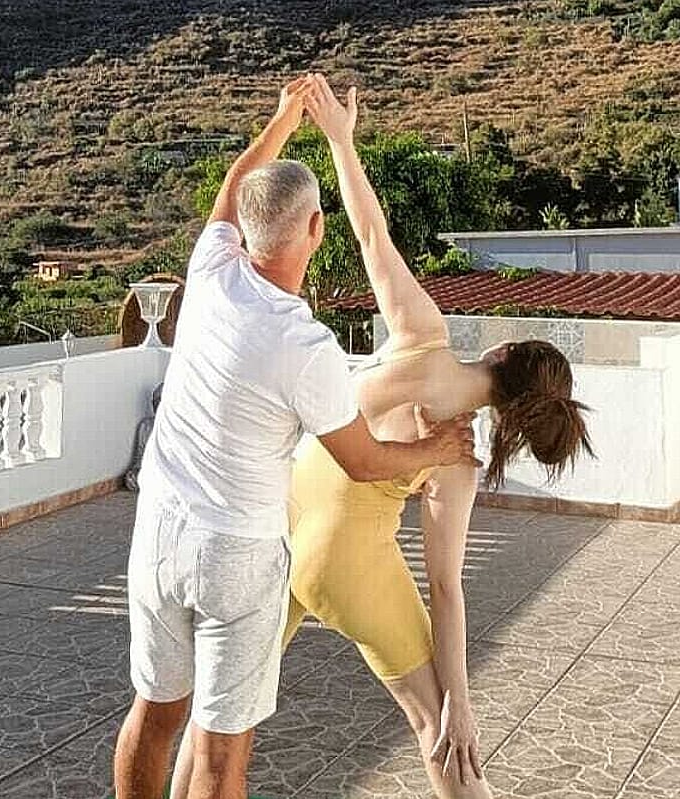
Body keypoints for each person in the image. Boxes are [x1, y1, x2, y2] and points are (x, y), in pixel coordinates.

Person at [173, 74, 592, 798]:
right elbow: (445, 589)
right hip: (346, 560)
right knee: (434, 725)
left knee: (214, 720)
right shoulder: (455, 459)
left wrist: (341, 139)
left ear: (502, 350)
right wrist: (460, 699)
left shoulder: (421, 335)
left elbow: (370, 232)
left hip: (284, 519)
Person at [114, 75, 479, 799]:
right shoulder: (304, 343)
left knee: (154, 716)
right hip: (239, 553)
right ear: (315, 230)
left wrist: (284, 119)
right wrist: (434, 453)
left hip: (157, 531)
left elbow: (235, 182)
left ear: (244, 230)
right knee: (221, 755)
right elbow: (363, 458)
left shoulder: (210, 271)